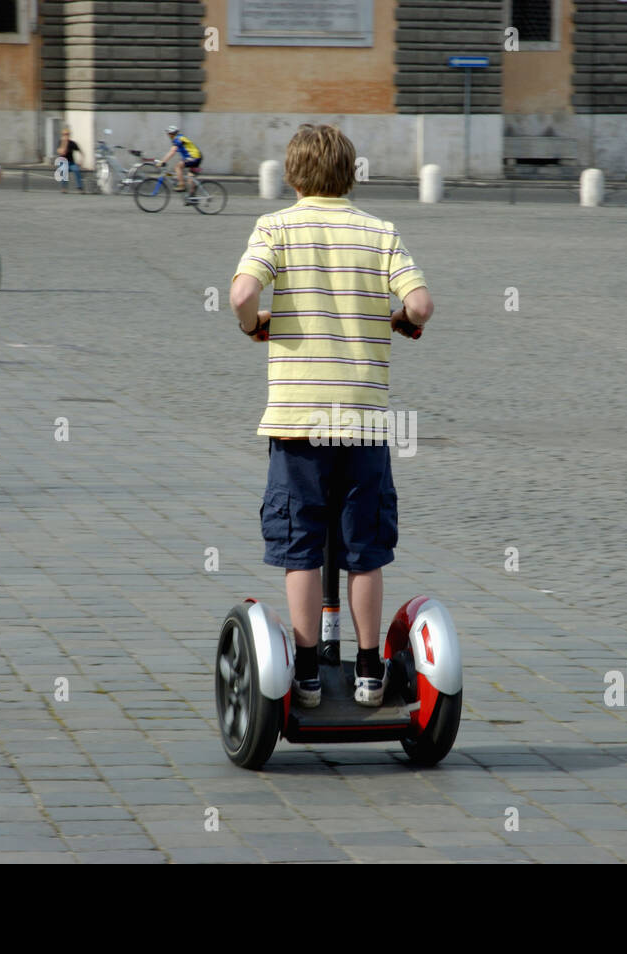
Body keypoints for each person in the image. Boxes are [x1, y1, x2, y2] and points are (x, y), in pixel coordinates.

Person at [229, 124, 432, 708]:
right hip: (362, 419)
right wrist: (402, 320)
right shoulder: (379, 232)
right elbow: (421, 304)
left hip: (298, 420)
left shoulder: (276, 228)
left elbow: (242, 295)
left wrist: (252, 325)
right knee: (363, 549)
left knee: (300, 546)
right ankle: (369, 671)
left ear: (292, 176)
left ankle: (308, 673)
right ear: (351, 174)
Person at [158, 124, 203, 201]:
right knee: (190, 177)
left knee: (178, 167)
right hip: (197, 157)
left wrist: (162, 161)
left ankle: (181, 185)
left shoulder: (177, 139)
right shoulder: (180, 137)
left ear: (171, 134)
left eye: (168, 133)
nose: (168, 135)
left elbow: (172, 152)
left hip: (194, 157)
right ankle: (192, 197)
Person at [55, 127, 83, 194]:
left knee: (77, 170)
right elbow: (61, 152)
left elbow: (81, 152)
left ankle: (80, 187)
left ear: (69, 135)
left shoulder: (72, 143)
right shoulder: (60, 142)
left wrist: (81, 161)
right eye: (64, 134)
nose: (65, 135)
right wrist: (64, 143)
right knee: (64, 170)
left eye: (67, 134)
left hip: (71, 163)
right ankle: (64, 188)